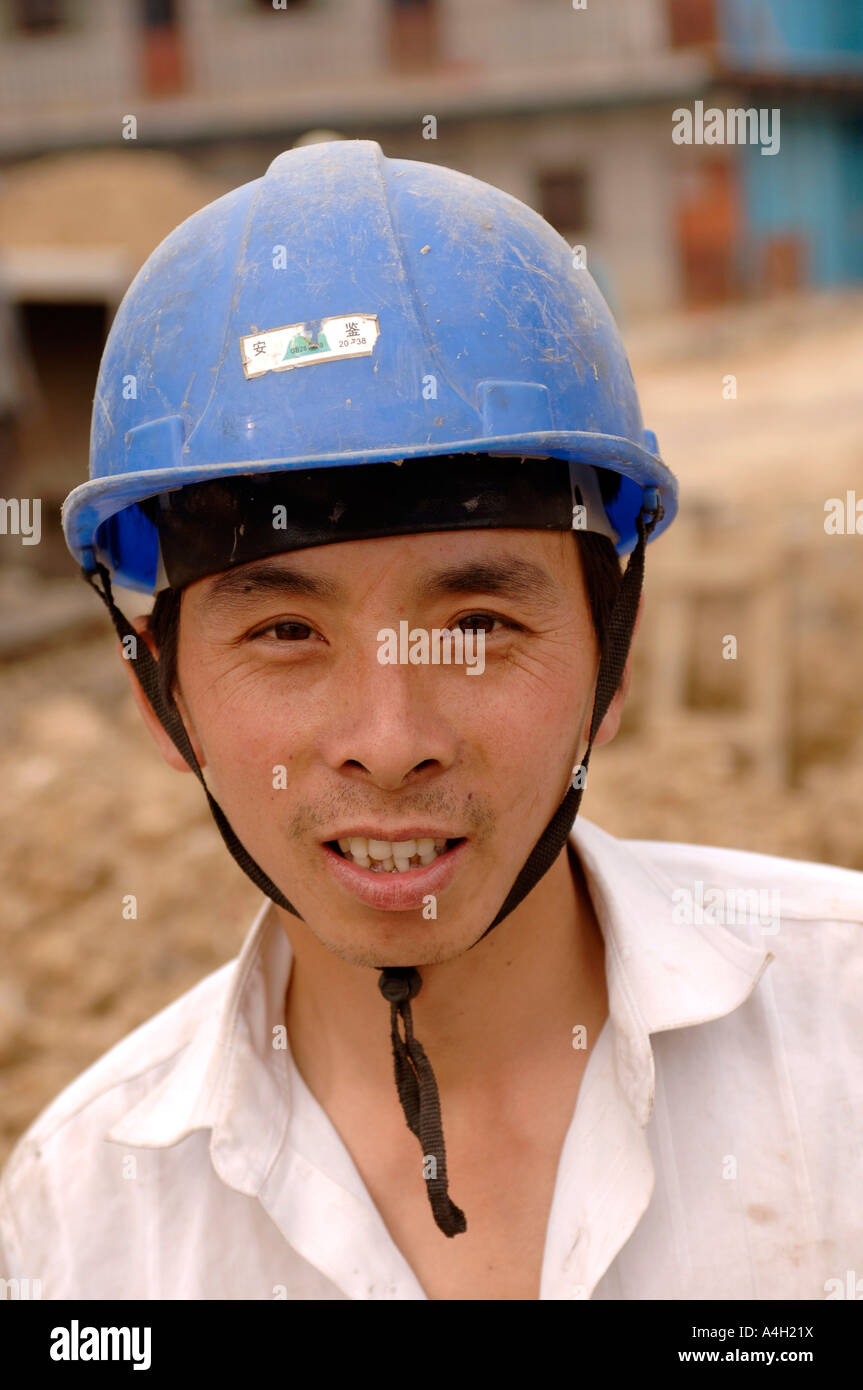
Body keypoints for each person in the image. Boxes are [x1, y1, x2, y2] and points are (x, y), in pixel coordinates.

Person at [1, 141, 860, 1301]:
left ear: (610, 657)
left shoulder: (840, 1042)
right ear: (163, 695)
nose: (390, 734)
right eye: (285, 634)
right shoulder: (87, 1222)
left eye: (476, 623)